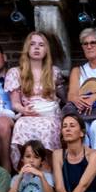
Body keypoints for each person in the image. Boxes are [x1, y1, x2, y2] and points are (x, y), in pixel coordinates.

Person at [7, 32, 63, 166]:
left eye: (41, 45)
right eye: (32, 44)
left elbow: (61, 98)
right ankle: (23, 168)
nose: (37, 48)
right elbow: (15, 103)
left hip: (50, 114)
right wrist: (24, 110)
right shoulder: (15, 72)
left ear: (46, 50)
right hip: (28, 112)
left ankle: (48, 168)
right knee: (20, 125)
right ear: (27, 48)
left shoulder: (54, 72)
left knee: (49, 126)